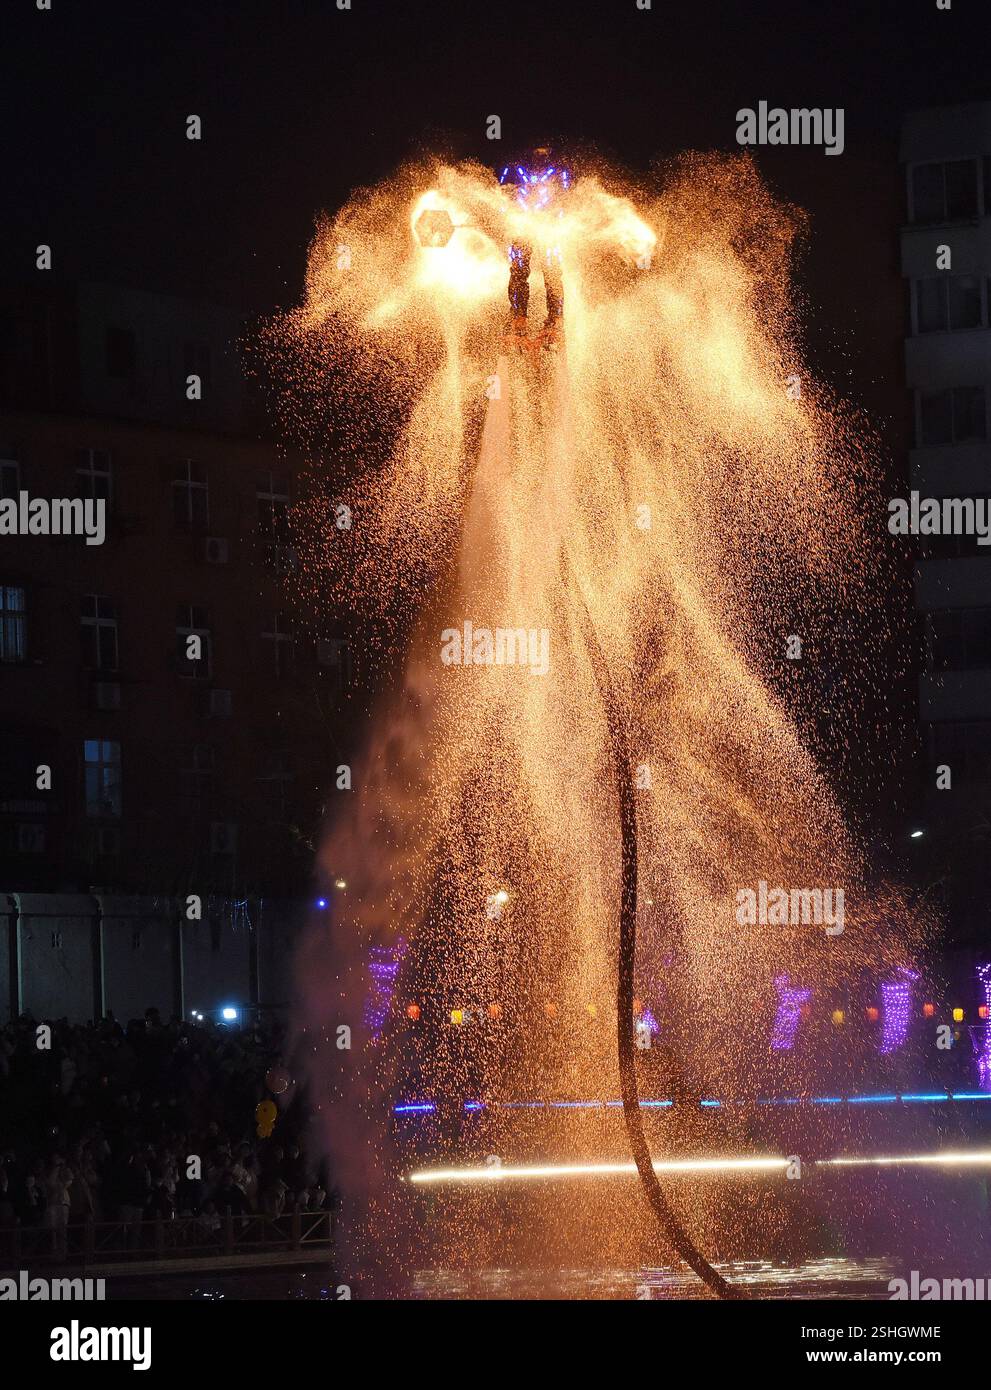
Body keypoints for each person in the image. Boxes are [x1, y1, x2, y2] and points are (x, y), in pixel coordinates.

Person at [498, 145, 571, 350]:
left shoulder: (558, 171)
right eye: (537, 152)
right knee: (519, 272)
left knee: (552, 273)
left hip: (548, 229)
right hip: (522, 229)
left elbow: (565, 199)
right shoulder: (513, 168)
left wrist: (556, 217)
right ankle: (518, 317)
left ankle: (555, 319)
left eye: (544, 153)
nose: (540, 157)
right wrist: (510, 217)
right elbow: (502, 196)